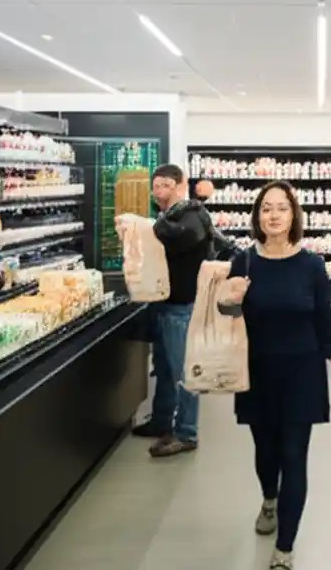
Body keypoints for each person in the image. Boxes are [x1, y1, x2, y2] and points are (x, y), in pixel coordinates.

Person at [220, 180, 331, 570]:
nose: (274, 215)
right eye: (266, 208)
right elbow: (229, 320)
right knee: (266, 452)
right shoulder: (243, 263)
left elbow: (322, 323)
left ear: (294, 214)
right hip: (257, 371)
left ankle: (285, 548)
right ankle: (269, 498)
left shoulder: (312, 265)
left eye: (282, 207)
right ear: (257, 216)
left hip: (302, 371)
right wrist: (229, 301)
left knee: (294, 455)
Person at [130, 164, 213, 457]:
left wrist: (150, 227)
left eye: (166, 185)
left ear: (181, 185)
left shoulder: (192, 215)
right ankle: (162, 421)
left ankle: (186, 432)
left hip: (183, 308)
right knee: (164, 370)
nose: (160, 191)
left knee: (185, 373)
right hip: (164, 304)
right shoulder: (168, 216)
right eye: (156, 185)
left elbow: (183, 238)